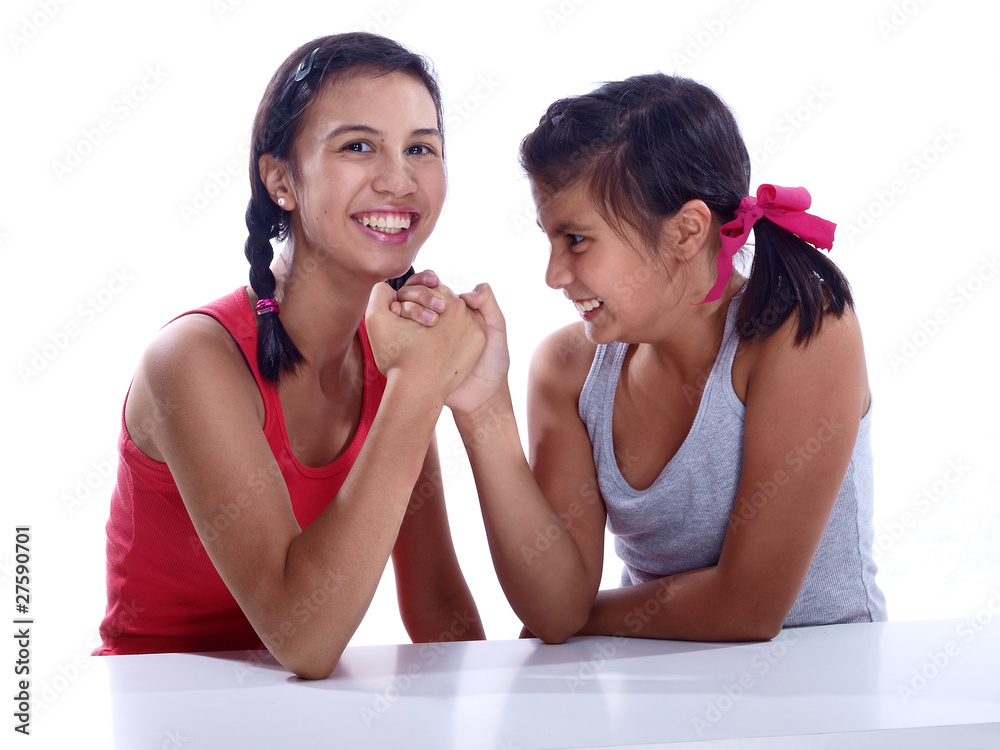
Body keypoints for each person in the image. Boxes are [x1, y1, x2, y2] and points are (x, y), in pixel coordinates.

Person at [438, 73, 886, 644]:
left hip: (829, 701)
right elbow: (553, 609)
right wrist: (484, 410)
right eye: (549, 240)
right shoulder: (568, 371)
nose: (552, 275)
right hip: (656, 694)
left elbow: (747, 609)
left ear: (687, 231)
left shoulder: (804, 331)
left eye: (576, 239)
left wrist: (583, 616)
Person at [95, 32, 487, 679]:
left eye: (421, 148)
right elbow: (303, 641)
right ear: (281, 179)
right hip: (157, 706)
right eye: (358, 146)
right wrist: (420, 384)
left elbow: (438, 605)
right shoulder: (192, 360)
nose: (399, 178)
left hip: (302, 715)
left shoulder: (391, 352)